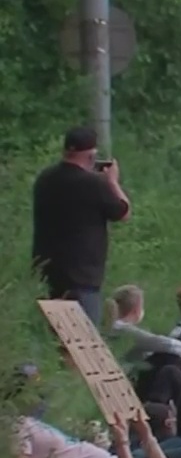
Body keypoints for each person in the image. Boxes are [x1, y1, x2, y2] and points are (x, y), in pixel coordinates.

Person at [31, 126, 131, 326]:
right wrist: (112, 182)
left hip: (46, 272)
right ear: (91, 155)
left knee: (54, 334)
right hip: (82, 276)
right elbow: (123, 212)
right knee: (83, 337)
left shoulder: (45, 179)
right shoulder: (93, 184)